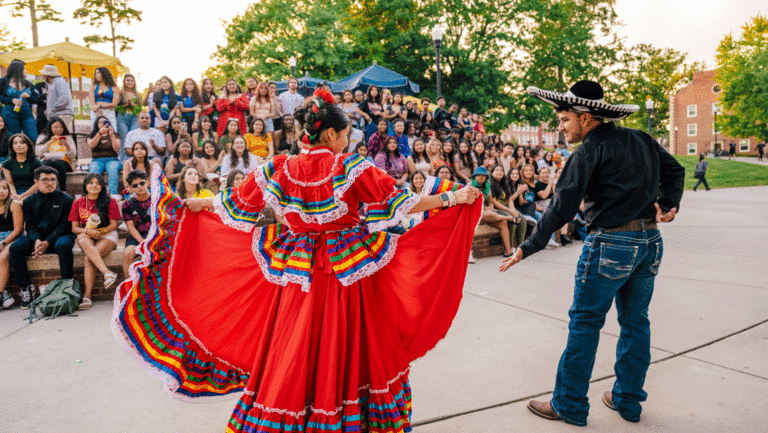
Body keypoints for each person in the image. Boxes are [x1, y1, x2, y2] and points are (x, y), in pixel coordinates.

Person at [112, 88, 482, 433]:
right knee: (349, 342)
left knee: (293, 343)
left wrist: (198, 204)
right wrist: (453, 199)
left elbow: (236, 201)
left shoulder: (278, 168)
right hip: (346, 272)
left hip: (297, 273)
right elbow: (405, 204)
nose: (346, 141)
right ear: (334, 136)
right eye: (346, 135)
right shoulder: (350, 168)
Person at [501, 80, 685, 426]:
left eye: (565, 119)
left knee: (585, 324)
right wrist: (669, 202)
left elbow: (560, 209)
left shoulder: (586, 153)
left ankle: (569, 404)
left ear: (586, 118)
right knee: (636, 323)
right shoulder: (640, 139)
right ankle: (627, 401)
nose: (561, 127)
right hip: (650, 243)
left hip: (611, 245)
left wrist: (527, 247)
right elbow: (675, 170)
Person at [10, 166, 75, 310]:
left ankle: (67, 286)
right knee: (15, 248)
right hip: (38, 238)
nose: (49, 183)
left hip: (60, 236)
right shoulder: (28, 202)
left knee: (64, 245)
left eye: (53, 179)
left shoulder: (66, 199)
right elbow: (30, 226)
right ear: (36, 181)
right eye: (45, 180)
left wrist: (47, 242)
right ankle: (26, 288)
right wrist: (38, 241)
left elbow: (65, 226)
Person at [70, 173, 121, 309]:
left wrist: (101, 232)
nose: (94, 185)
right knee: (81, 238)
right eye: (90, 182)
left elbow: (113, 224)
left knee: (89, 258)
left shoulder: (110, 201)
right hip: (87, 233)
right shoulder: (78, 202)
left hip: (107, 234)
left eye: (97, 183)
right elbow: (74, 228)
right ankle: (107, 273)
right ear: (85, 185)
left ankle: (87, 296)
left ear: (102, 186)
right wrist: (88, 231)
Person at [472, 166, 515, 258]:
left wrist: (490, 207)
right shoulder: (470, 186)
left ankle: (508, 251)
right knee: (491, 214)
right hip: (473, 214)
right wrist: (487, 209)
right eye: (478, 175)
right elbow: (471, 205)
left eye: (483, 176)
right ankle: (509, 218)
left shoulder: (487, 187)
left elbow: (491, 202)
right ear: (474, 176)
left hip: (486, 215)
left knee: (503, 223)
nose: (481, 177)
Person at [0, 60, 40, 142]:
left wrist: (28, 97)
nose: (26, 71)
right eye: (24, 69)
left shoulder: (28, 83)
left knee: (33, 138)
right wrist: (11, 100)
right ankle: (13, 154)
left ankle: (32, 154)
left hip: (27, 113)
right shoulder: (3, 81)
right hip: (10, 112)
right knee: (13, 138)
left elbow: (36, 99)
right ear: (18, 70)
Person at [121, 170, 151, 278]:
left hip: (155, 234)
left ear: (147, 182)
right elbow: (130, 227)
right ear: (130, 188)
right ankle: (129, 288)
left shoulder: (157, 199)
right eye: (135, 185)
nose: (139, 187)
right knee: (128, 253)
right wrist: (141, 241)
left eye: (142, 183)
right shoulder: (127, 204)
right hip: (137, 236)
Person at [489, 164, 526, 249]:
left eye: (501, 170)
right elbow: (494, 202)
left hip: (507, 207)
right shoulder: (490, 184)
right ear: (492, 173)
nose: (499, 172)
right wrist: (509, 210)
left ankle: (520, 246)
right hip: (497, 209)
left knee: (522, 219)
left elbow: (509, 200)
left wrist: (513, 209)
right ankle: (510, 247)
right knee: (512, 219)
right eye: (497, 170)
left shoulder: (505, 184)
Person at [0, 180, 24, 309]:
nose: (2, 191)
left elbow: (18, 229)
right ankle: (4, 294)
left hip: (12, 238)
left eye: (5, 188)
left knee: (3, 257)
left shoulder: (13, 204)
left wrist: (4, 242)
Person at [35, 116, 76, 189]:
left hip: (64, 162)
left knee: (58, 163)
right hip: (46, 160)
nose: (58, 129)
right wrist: (49, 142)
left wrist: (67, 145)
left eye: (61, 127)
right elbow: (38, 153)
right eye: (56, 127)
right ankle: (46, 189)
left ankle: (62, 190)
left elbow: (73, 156)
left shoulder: (68, 138)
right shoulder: (43, 136)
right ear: (50, 127)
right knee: (48, 163)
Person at [87, 116, 122, 197]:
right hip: (97, 160)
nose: (102, 124)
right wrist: (99, 133)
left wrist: (112, 135)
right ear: (96, 124)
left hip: (112, 160)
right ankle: (94, 193)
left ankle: (112, 194)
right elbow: (91, 145)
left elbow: (117, 149)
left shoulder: (115, 134)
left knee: (113, 169)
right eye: (100, 122)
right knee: (94, 170)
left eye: (105, 122)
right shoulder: (92, 135)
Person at [2, 133, 42, 200]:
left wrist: (24, 195)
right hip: (15, 192)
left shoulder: (36, 162)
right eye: (15, 143)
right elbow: (10, 183)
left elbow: (38, 183)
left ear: (28, 145)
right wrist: (15, 195)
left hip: (33, 192)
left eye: (22, 142)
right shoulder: (7, 164)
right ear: (12, 147)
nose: (18, 145)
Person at [40, 65, 74, 131]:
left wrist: (51, 109)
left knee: (62, 138)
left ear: (48, 75)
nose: (42, 75)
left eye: (44, 74)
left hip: (62, 115)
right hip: (59, 115)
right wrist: (49, 110)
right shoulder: (54, 83)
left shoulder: (59, 82)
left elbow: (64, 98)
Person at [115, 73, 142, 154]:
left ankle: (133, 160)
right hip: (122, 116)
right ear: (124, 82)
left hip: (135, 118)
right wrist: (126, 104)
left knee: (133, 138)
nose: (130, 82)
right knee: (124, 138)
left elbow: (140, 109)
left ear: (134, 82)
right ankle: (123, 161)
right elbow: (115, 107)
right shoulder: (120, 93)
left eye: (132, 80)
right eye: (128, 80)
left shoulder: (138, 94)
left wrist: (133, 104)